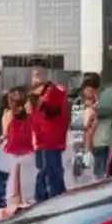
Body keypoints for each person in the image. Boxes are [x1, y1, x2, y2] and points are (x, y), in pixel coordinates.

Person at [28, 68, 70, 200]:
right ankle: (45, 198)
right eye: (34, 76)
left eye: (38, 75)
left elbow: (51, 110)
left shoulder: (55, 92)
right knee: (45, 171)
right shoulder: (37, 96)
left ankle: (52, 200)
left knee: (50, 172)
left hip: (51, 140)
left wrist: (38, 99)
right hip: (41, 140)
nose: (35, 79)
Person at [1, 87, 35, 207]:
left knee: (13, 189)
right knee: (26, 191)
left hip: (14, 154)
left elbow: (5, 134)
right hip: (27, 154)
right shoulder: (30, 117)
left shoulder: (8, 116)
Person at [80, 73, 112, 178]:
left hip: (101, 141)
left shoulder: (105, 97)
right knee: (99, 170)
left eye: (90, 90)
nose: (87, 92)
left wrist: (95, 110)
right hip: (97, 141)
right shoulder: (87, 102)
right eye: (86, 90)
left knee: (100, 171)